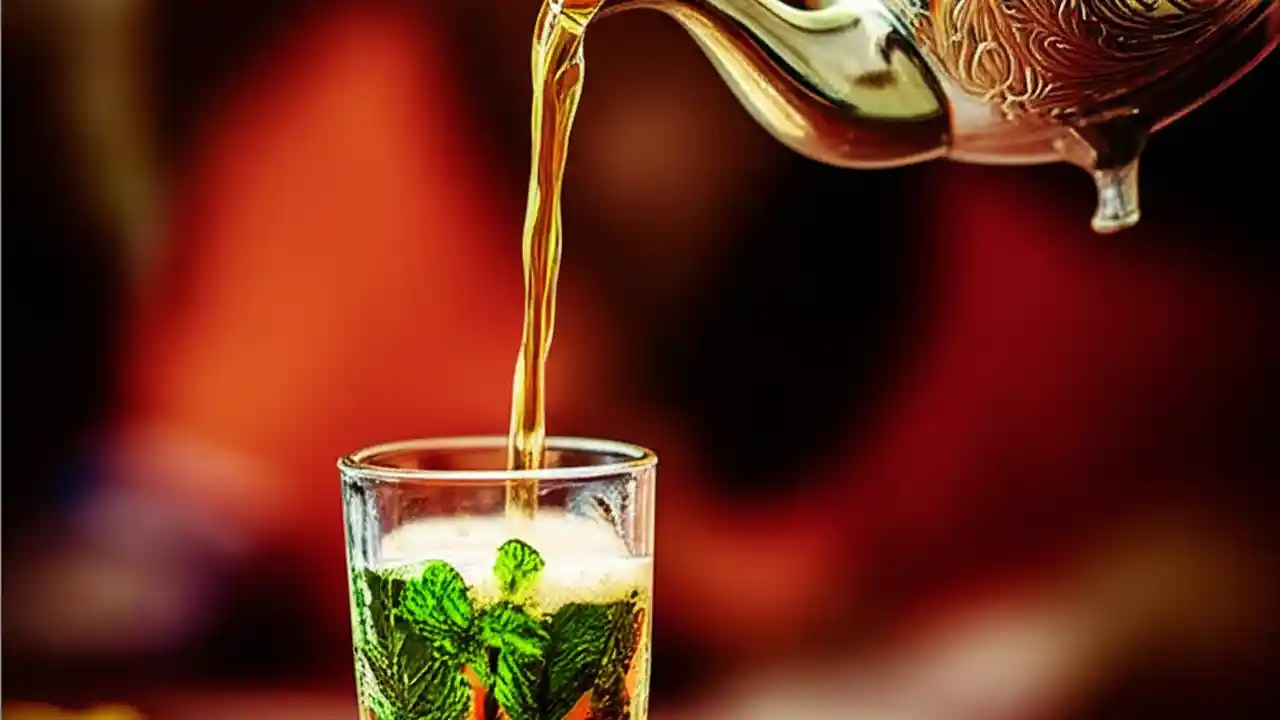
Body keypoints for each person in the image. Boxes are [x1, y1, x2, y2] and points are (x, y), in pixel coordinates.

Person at [7, 1, 1277, 716]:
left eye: (691, 88)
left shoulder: (1027, 215)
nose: (648, 164)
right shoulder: (344, 166)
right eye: (618, 90)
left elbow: (1212, 548)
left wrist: (1012, 657)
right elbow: (168, 526)